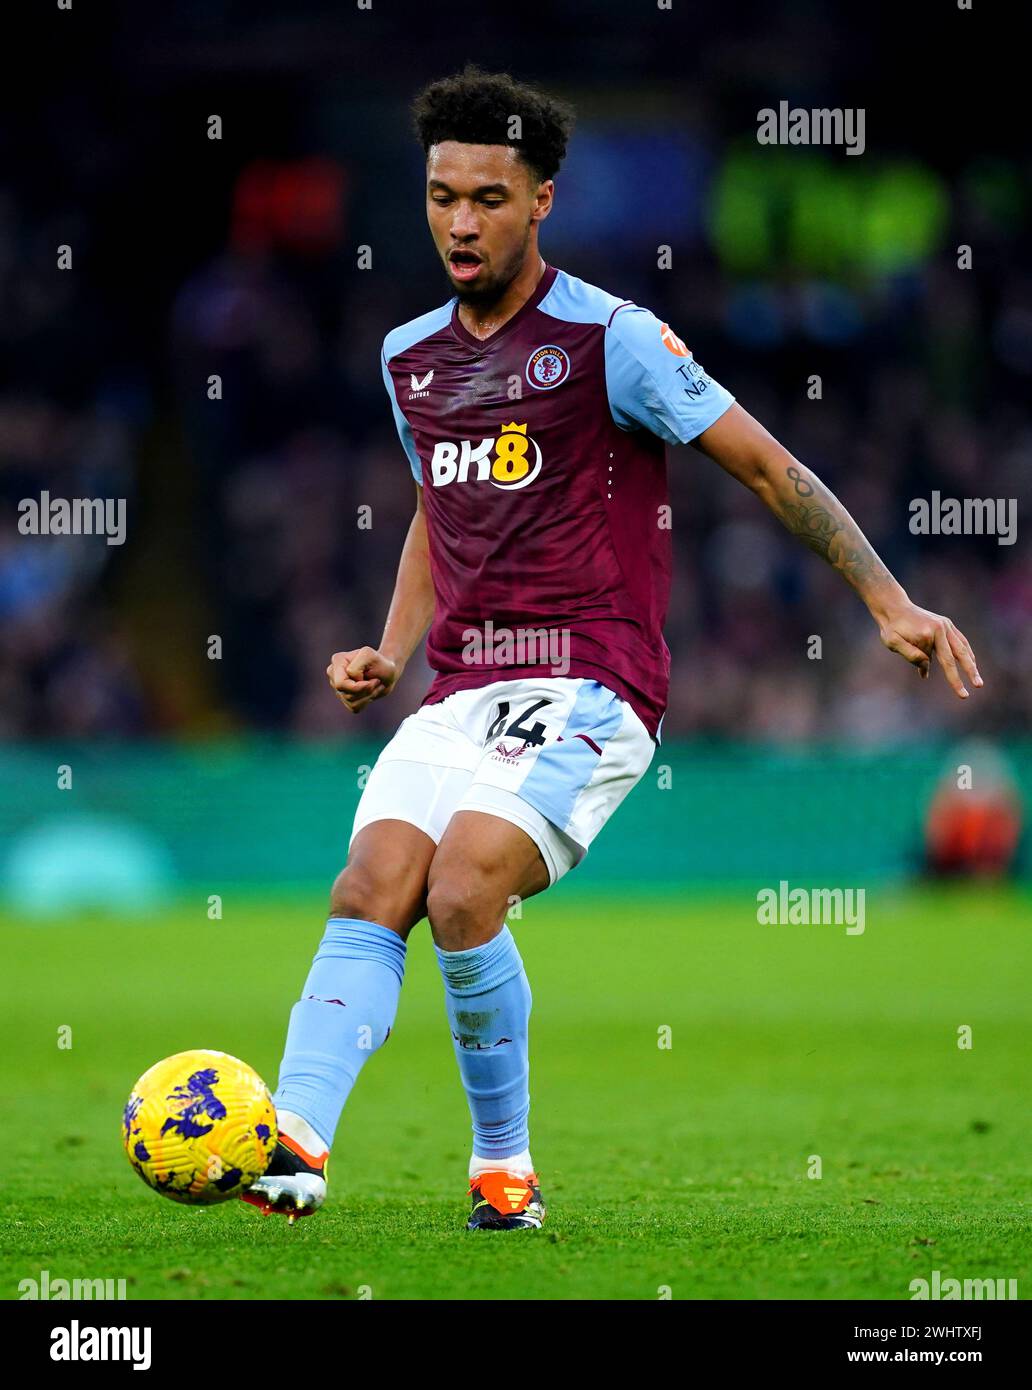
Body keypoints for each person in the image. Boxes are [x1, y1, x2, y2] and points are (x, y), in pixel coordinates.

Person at [244, 65, 981, 1231]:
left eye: (488, 196)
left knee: (464, 883)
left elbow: (768, 465)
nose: (460, 221)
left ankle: (503, 1166)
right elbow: (439, 511)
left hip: (593, 678)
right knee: (370, 887)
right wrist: (391, 653)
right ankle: (292, 1144)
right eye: (441, 196)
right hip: (460, 685)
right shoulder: (409, 359)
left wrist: (887, 600)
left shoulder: (615, 340)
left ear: (543, 200)